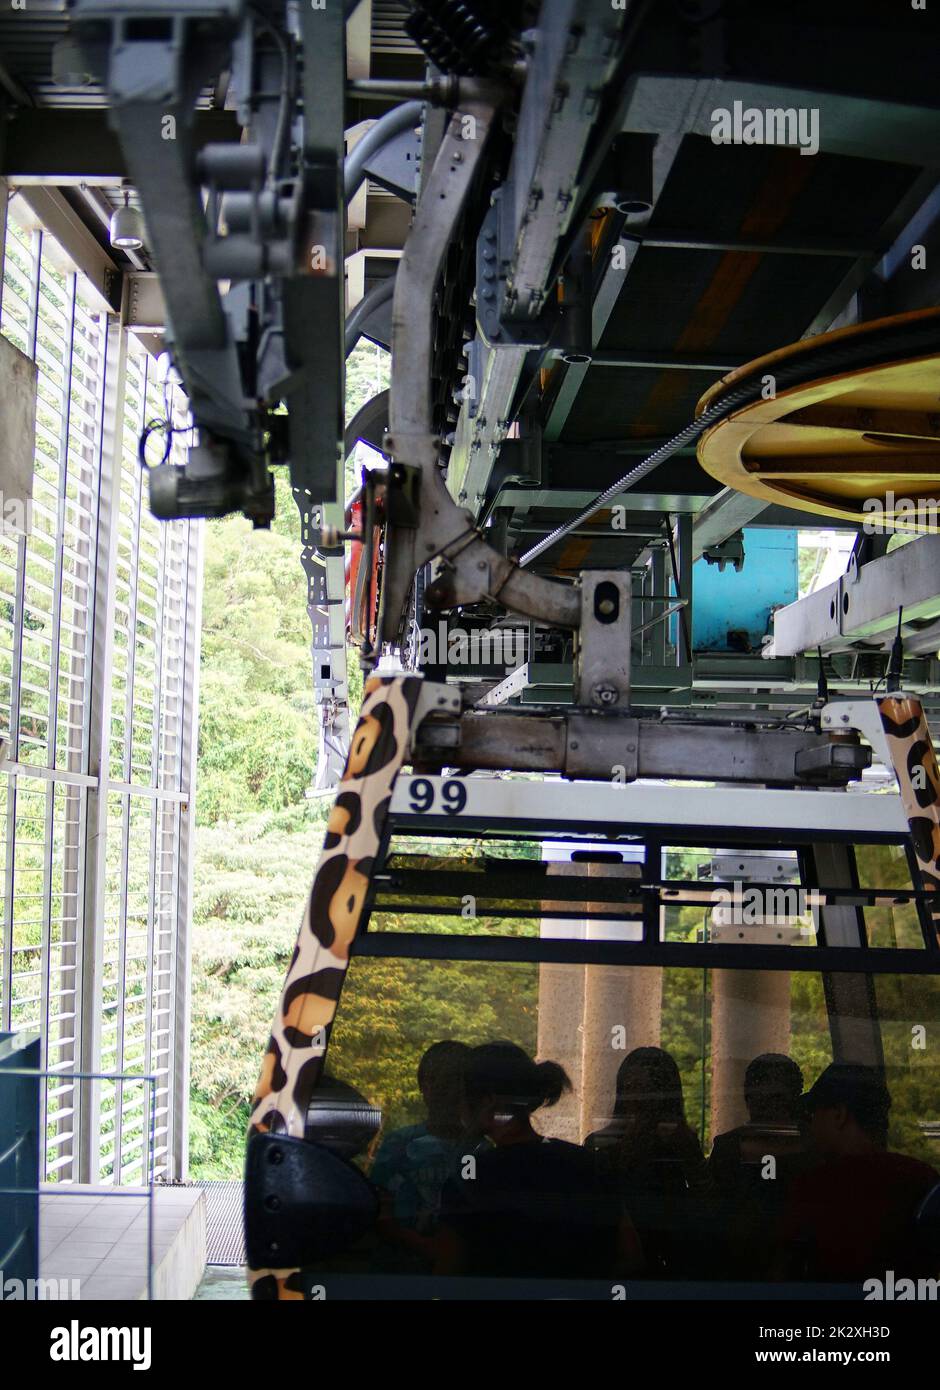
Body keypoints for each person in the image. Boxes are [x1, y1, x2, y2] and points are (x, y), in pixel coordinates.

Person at [435, 1041, 642, 1280]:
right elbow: (631, 1257)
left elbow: (448, 1274)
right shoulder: (591, 1165)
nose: (458, 1107)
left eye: (462, 1096)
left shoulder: (470, 1182)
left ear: (488, 1100)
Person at [772, 1063, 940, 1281]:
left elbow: (783, 1273)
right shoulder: (924, 1179)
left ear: (839, 1115)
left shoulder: (814, 1187)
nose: (810, 1126)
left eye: (812, 1114)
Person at [585, 1047, 706, 1275]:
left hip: (672, 1253)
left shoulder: (678, 1140)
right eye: (632, 1088)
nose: (639, 1099)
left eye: (648, 1090)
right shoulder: (602, 1143)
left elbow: (702, 1195)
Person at [707, 1054, 809, 1277]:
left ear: (793, 1099)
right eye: (758, 1097)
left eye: (776, 1099)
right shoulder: (729, 1147)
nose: (767, 1108)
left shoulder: (814, 1147)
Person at [370, 1040, 470, 1262]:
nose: (449, 1096)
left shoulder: (479, 1148)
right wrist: (428, 1248)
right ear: (424, 1088)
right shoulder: (398, 1144)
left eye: (457, 1087)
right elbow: (380, 1212)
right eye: (442, 1086)